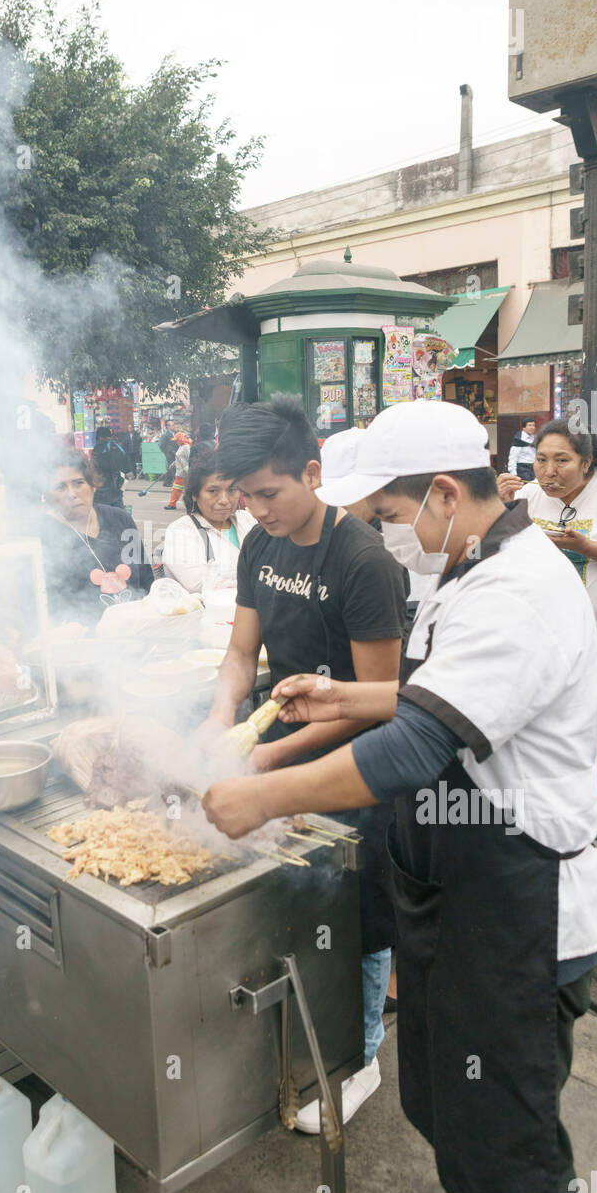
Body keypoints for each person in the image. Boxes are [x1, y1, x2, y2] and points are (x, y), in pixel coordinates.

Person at [203, 399, 597, 1193]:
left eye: (391, 514)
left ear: (445, 496)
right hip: (465, 898)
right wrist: (340, 697)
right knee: (449, 1114)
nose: (389, 533)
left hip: (520, 911)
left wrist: (264, 795)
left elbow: (420, 744)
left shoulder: (516, 593)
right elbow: (433, 697)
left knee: (506, 1157)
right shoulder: (469, 567)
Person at [200, 396, 407, 1125]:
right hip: (277, 744)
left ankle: (361, 1059)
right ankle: (296, 1030)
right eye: (242, 496)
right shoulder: (259, 544)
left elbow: (375, 700)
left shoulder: (362, 562)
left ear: (311, 473)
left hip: (353, 766)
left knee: (357, 910)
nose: (256, 510)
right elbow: (237, 653)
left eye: (268, 493)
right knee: (292, 895)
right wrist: (221, 718)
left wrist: (267, 763)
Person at [504, 418, 597, 621]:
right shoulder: (528, 494)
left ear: (586, 462)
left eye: (561, 461)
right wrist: (501, 508)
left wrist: (586, 547)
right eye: (541, 460)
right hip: (543, 620)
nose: (549, 472)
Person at [41, 450, 153, 622]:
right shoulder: (44, 537)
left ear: (93, 485)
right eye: (60, 487)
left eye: (79, 483)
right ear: (48, 496)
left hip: (137, 630)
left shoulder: (120, 519)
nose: (72, 494)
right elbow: (47, 606)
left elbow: (147, 581)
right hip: (84, 642)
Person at [162, 449, 255, 592]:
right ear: (194, 494)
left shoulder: (247, 520)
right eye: (212, 491)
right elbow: (198, 584)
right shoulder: (181, 531)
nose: (224, 501)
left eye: (232, 490)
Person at [90, 427, 129, 509]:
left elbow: (94, 466)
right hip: (117, 485)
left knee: (103, 515)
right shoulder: (117, 445)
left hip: (103, 487)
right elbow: (125, 461)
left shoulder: (98, 447)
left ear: (100, 437)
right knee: (119, 513)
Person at [164, 433, 192, 509]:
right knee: (182, 488)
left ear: (181, 440)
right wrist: (173, 463)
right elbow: (179, 457)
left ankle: (172, 504)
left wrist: (187, 468)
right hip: (180, 472)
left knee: (177, 488)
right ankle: (174, 504)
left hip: (184, 472)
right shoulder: (181, 446)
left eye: (177, 440)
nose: (176, 442)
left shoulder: (186, 447)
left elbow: (189, 459)